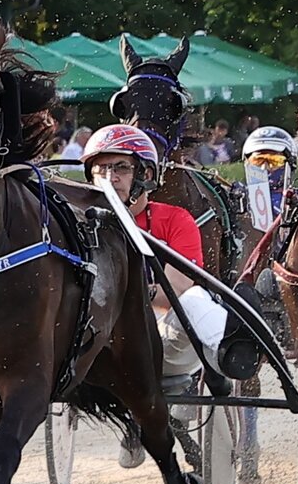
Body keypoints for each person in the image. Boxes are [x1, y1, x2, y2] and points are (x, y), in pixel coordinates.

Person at [82, 123, 247, 466]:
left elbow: (179, 288)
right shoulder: (81, 226)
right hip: (99, 351)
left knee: (195, 300)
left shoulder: (176, 220)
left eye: (121, 168)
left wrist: (124, 295)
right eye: (100, 169)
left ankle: (230, 348)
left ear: (145, 174)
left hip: (163, 344)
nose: (109, 177)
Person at [239, 125, 298, 231]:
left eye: (274, 161)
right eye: (258, 161)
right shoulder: (239, 198)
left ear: (291, 164)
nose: (264, 167)